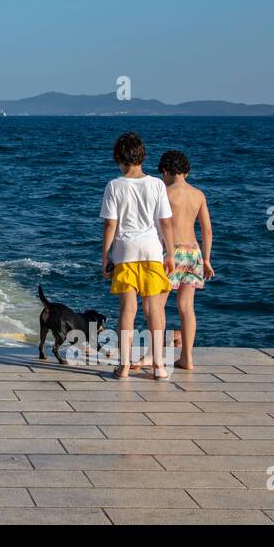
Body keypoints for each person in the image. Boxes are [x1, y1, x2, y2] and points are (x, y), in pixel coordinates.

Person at [101, 132, 175, 381]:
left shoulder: (114, 185)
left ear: (119, 158)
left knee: (127, 310)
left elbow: (110, 225)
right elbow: (166, 223)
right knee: (154, 311)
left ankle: (123, 367)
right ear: (142, 156)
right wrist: (171, 254)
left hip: (125, 253)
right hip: (153, 251)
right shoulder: (157, 185)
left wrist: (104, 256)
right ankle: (159, 367)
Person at [152, 150, 214, 372]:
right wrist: (206, 259)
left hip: (171, 252)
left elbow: (157, 226)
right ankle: (187, 358)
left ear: (166, 172)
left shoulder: (165, 193)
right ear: (186, 172)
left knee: (158, 306)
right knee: (187, 307)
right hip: (193, 253)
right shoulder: (198, 194)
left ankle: (155, 356)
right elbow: (207, 230)